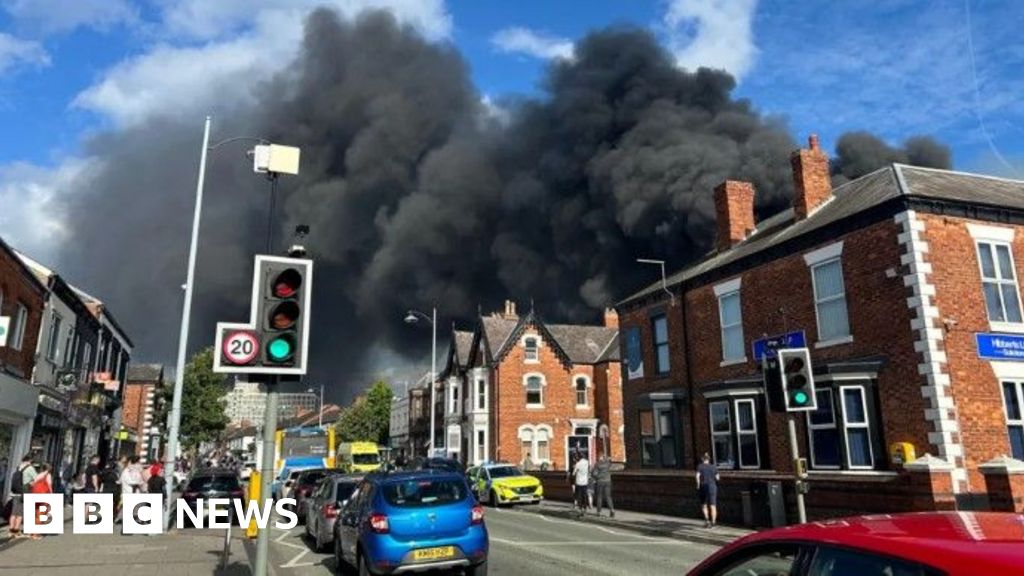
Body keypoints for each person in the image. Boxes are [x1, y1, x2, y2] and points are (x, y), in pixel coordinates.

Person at [8, 455, 37, 538]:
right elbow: (37, 479)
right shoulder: (30, 468)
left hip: (15, 493)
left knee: (14, 512)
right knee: (20, 513)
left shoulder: (19, 467)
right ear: (30, 460)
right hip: (23, 493)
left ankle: (11, 531)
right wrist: (31, 483)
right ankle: (16, 531)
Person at [696, 452, 720, 528]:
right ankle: (713, 523)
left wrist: (698, 485)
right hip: (712, 487)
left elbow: (697, 476)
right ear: (709, 459)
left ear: (702, 459)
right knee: (713, 505)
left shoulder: (700, 466)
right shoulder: (714, 467)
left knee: (704, 505)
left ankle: (707, 521)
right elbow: (718, 478)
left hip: (703, 487)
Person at [572, 452, 590, 518]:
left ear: (579, 457)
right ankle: (585, 508)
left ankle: (580, 510)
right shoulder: (587, 462)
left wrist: (575, 469)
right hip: (585, 481)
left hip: (579, 482)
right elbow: (589, 470)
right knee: (584, 496)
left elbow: (573, 473)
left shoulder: (578, 464)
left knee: (579, 496)